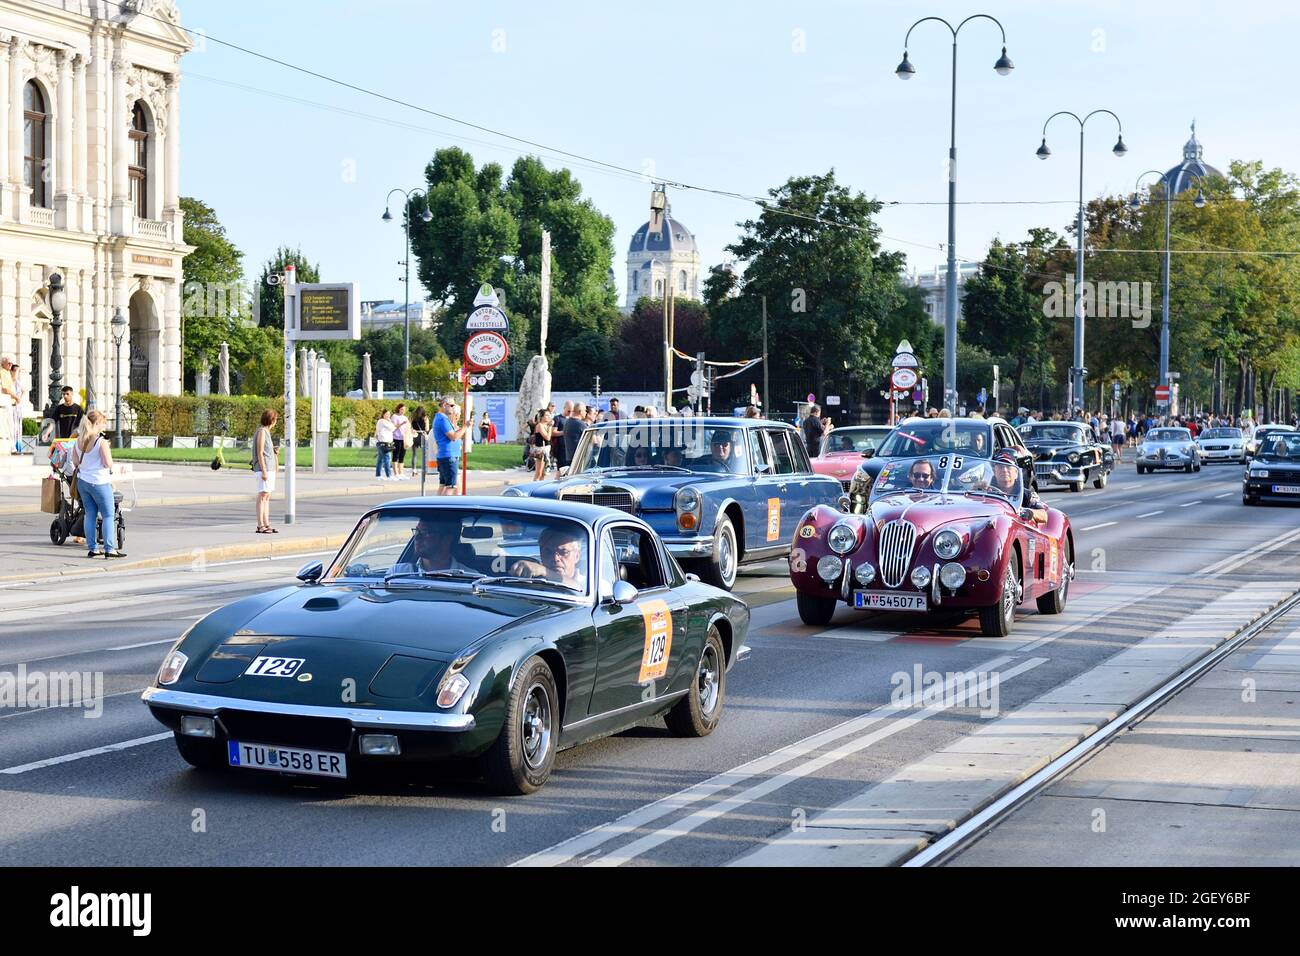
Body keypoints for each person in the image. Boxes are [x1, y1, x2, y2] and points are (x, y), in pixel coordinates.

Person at [71, 409, 125, 558]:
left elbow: (75, 462)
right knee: (108, 515)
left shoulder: (78, 440)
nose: (104, 426)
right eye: (103, 423)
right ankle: (109, 549)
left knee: (90, 514)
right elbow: (108, 463)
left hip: (83, 483)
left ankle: (93, 548)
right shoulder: (100, 442)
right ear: (96, 423)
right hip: (100, 483)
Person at [510, 524, 586, 590]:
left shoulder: (589, 584)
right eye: (548, 552)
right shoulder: (531, 581)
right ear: (541, 554)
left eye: (564, 552)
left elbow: (580, 589)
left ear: (577, 556)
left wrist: (545, 571)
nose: (555, 558)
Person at [409, 515, 478, 574]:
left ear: (447, 540)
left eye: (425, 532)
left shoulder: (472, 579)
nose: (417, 537)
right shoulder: (400, 573)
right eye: (417, 531)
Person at [433, 398, 467, 496]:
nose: (453, 407)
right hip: (449, 456)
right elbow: (453, 437)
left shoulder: (441, 418)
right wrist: (465, 427)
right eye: (452, 405)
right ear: (444, 405)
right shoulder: (442, 419)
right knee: (451, 486)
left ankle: (436, 507)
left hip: (445, 456)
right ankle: (443, 508)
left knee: (443, 485)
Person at [253, 409, 279, 534]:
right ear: (271, 420)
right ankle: (260, 525)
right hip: (264, 468)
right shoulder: (262, 431)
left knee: (267, 496)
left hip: (269, 468)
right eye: (275, 420)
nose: (276, 422)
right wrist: (264, 471)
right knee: (262, 495)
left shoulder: (267, 432)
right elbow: (260, 452)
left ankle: (266, 523)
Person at [530, 408, 553, 480]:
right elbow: (547, 437)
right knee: (539, 472)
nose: (549, 417)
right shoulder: (540, 425)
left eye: (549, 415)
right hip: (541, 450)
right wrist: (550, 427)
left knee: (543, 473)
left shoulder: (546, 425)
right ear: (542, 417)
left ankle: (540, 485)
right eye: (546, 415)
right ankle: (535, 486)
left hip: (546, 450)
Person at [0, 356, 16, 457]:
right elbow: (5, 389)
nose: (11, 365)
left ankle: (11, 446)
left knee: (9, 425)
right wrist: (16, 397)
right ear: (3, 363)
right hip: (5, 402)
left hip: (7, 402)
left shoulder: (7, 373)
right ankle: (12, 446)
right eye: (9, 363)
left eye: (11, 363)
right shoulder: (2, 372)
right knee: (9, 425)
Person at [391, 403, 410, 480]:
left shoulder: (405, 417)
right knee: (396, 455)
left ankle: (401, 473)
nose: (403, 411)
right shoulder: (394, 416)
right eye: (402, 409)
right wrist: (402, 423)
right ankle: (396, 473)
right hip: (396, 438)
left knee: (402, 456)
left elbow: (408, 427)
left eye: (404, 409)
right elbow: (393, 427)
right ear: (398, 409)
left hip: (404, 439)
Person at [374, 408, 395, 481]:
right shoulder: (382, 421)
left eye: (389, 414)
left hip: (382, 443)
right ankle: (389, 475)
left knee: (380, 460)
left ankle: (378, 475)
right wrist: (390, 421)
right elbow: (393, 428)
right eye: (387, 414)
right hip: (384, 443)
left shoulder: (382, 421)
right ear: (383, 414)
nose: (388, 416)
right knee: (387, 459)